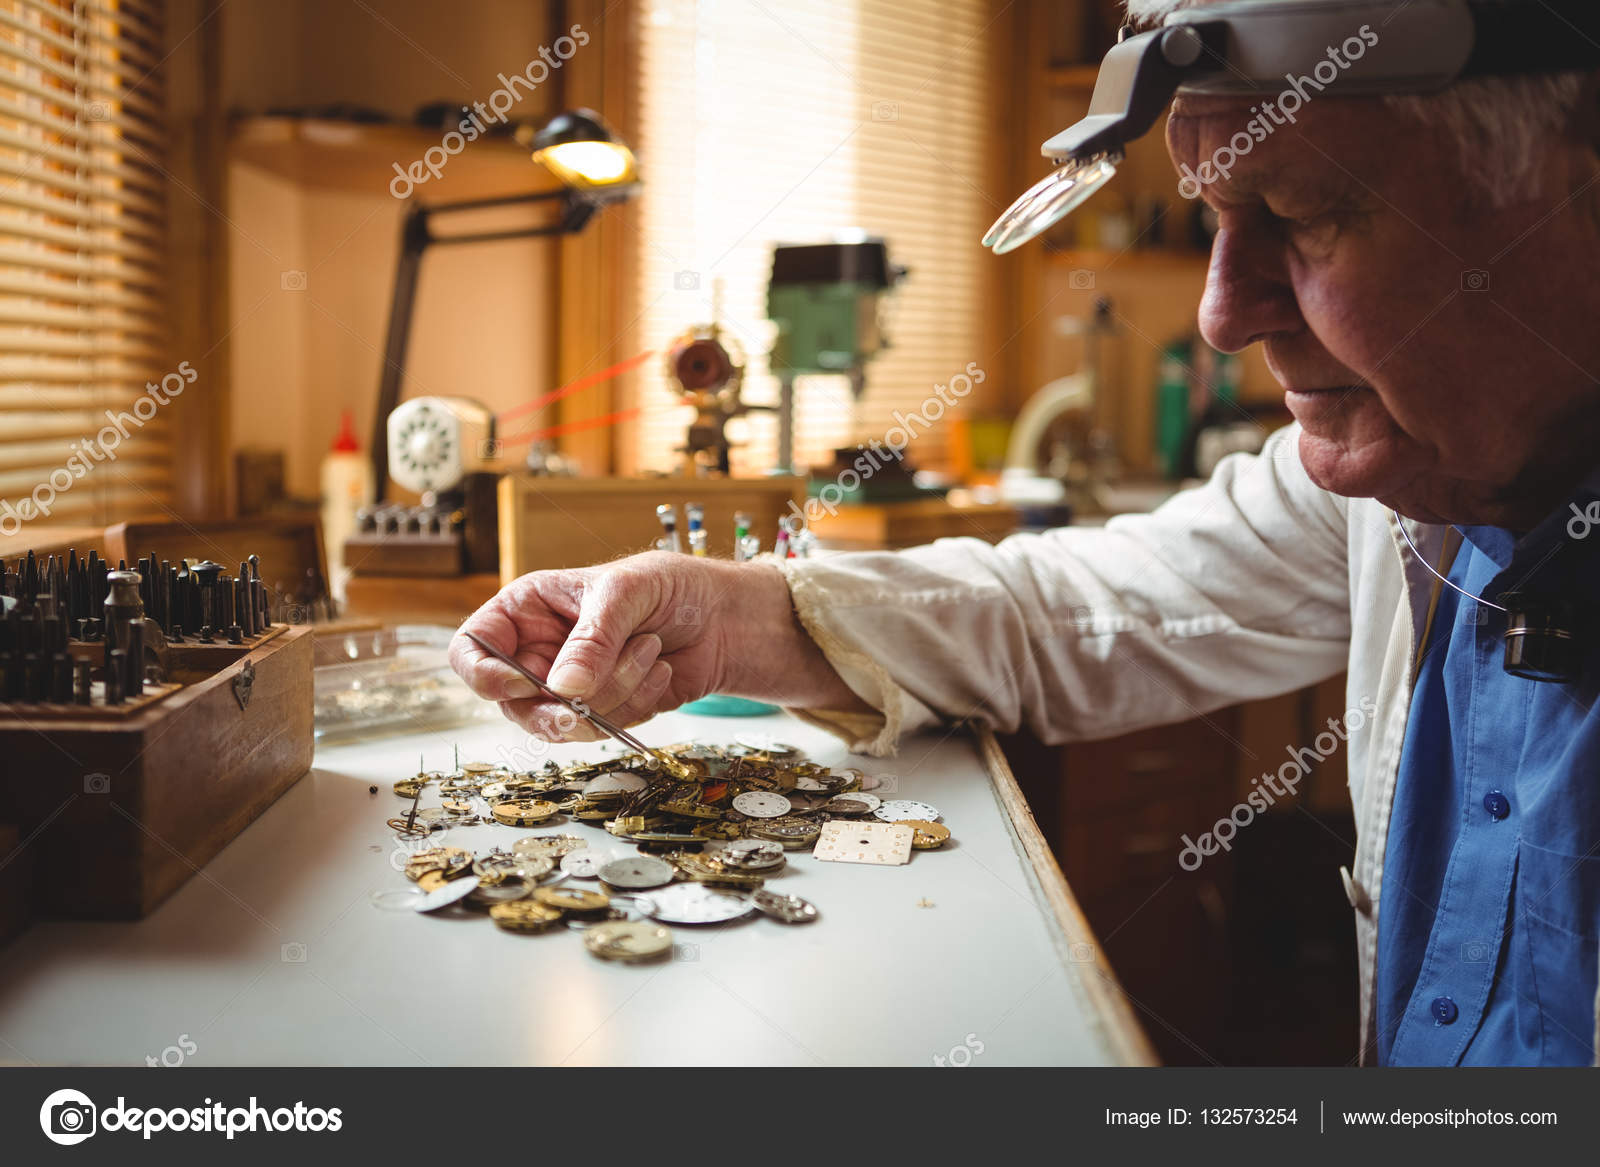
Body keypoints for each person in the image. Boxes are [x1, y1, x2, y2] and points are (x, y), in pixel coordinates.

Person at [452, 3, 1600, 1066]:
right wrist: (727, 615)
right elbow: (1076, 611)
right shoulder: (1392, 492)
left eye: (1303, 212)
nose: (1217, 313)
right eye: (1210, 217)